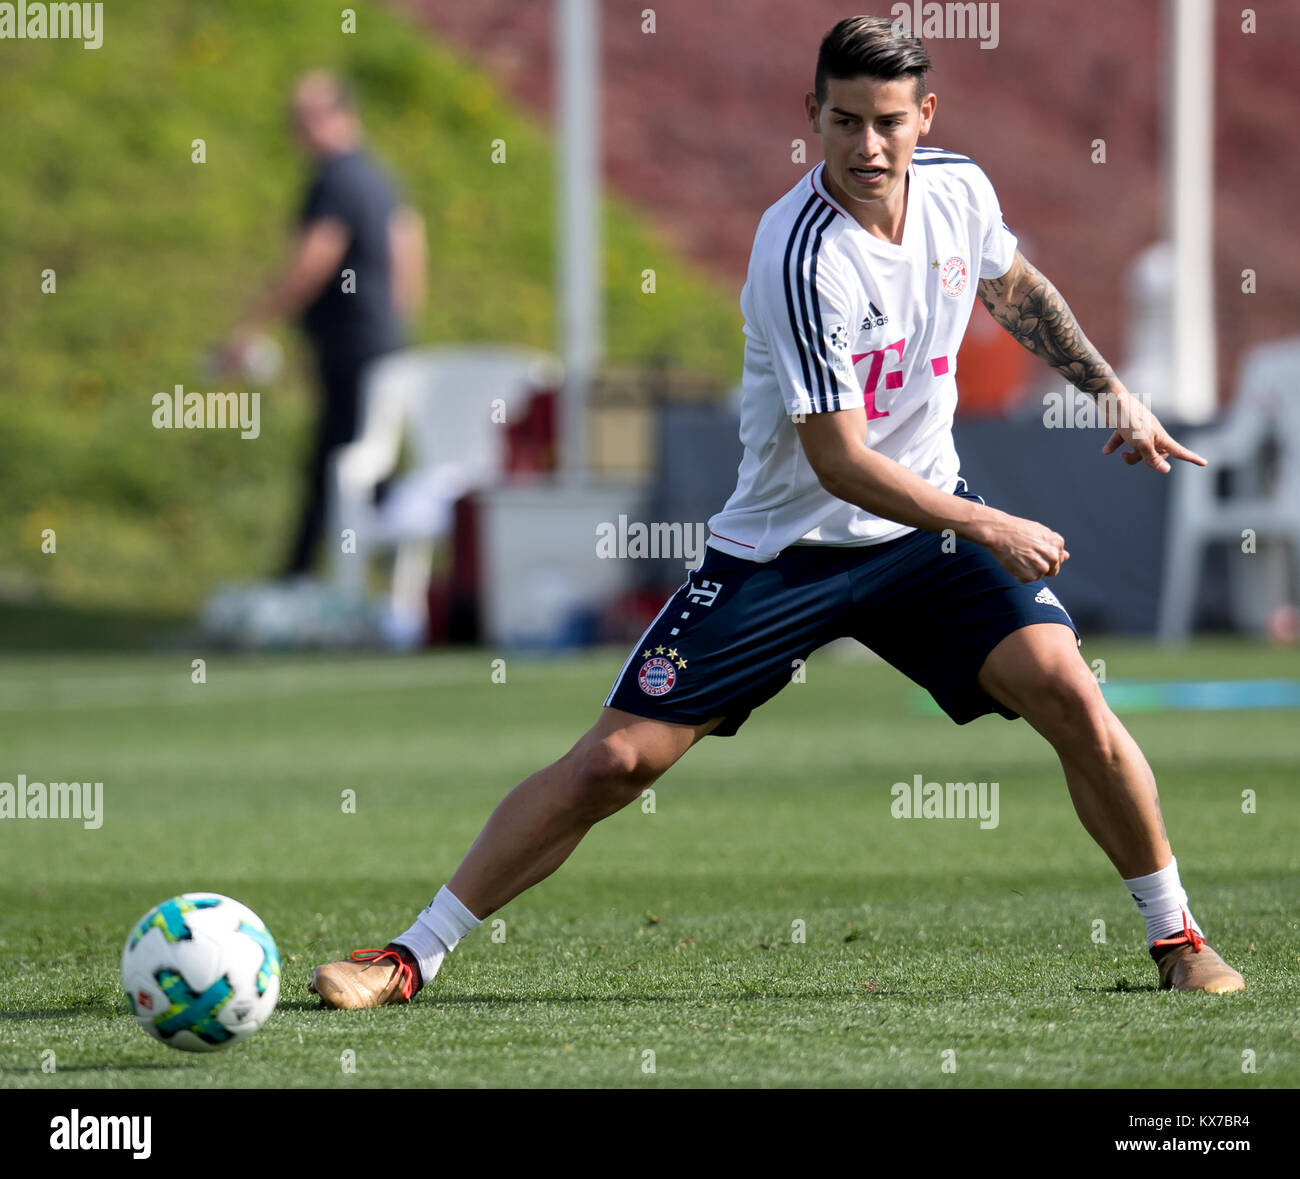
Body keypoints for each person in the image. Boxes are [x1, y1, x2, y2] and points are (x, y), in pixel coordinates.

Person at [310, 17, 1243, 1008]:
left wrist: (1112, 396)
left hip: (921, 535)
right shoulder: (800, 255)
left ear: (926, 115)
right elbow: (838, 461)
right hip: (785, 552)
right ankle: (410, 956)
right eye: (845, 121)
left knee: (1069, 692)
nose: (869, 145)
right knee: (614, 762)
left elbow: (1009, 286)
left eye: (889, 121)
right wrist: (987, 524)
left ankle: (1176, 940)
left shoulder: (959, 189)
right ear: (812, 116)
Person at [219, 70, 426, 577]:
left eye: (304, 118)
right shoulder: (380, 176)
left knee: (338, 465)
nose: (296, 131)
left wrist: (254, 324)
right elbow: (409, 245)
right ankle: (398, 577)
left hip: (352, 348)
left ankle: (299, 579)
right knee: (359, 463)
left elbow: (315, 258)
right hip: (382, 343)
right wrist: (398, 323)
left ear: (336, 114)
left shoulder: (334, 179)